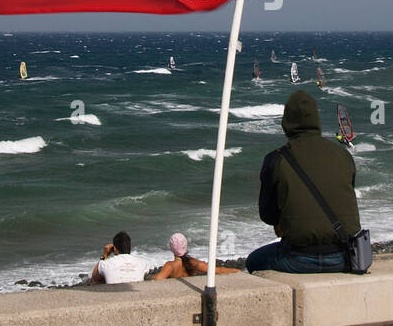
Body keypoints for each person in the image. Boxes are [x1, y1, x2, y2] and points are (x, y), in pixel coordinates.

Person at [246, 90, 361, 274]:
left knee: (254, 261)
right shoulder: (343, 154)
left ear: (287, 122)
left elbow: (267, 215)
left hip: (299, 258)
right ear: (316, 120)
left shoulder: (276, 159)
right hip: (346, 256)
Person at [150, 233, 240, 280]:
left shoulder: (170, 266)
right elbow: (218, 270)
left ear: (171, 248)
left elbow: (158, 279)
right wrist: (237, 271)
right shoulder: (193, 263)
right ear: (185, 246)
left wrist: (150, 278)